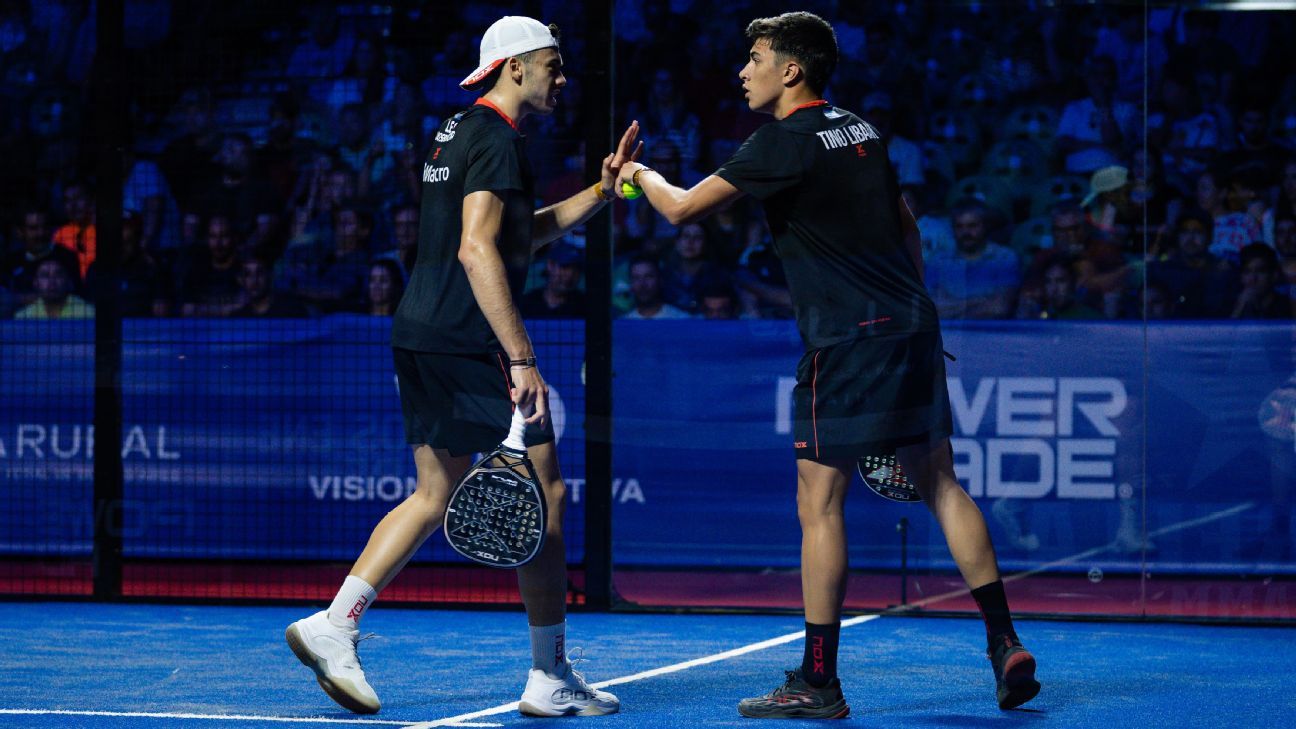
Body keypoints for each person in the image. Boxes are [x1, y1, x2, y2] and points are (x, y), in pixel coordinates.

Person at [614, 11, 1039, 717]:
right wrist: (916, 311)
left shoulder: (780, 141)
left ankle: (818, 680)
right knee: (941, 483)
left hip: (845, 341)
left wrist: (633, 174)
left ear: (792, 70)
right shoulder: (862, 130)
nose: (741, 71)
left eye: (754, 58)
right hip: (909, 323)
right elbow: (904, 224)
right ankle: (1003, 641)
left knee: (820, 506)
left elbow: (683, 209)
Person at [284, 16, 637, 718]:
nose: (562, 77)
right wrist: (521, 357)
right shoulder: (497, 139)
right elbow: (479, 250)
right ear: (514, 67)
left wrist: (601, 193)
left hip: (422, 330)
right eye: (552, 64)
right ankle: (548, 674)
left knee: (434, 492)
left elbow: (518, 231)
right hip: (461, 340)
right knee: (548, 494)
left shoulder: (461, 132)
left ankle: (335, 622)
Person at [14, 257, 94, 320]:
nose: (52, 282)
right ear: (35, 283)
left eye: (58, 275)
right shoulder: (23, 317)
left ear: (68, 281)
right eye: (45, 275)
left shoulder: (89, 313)